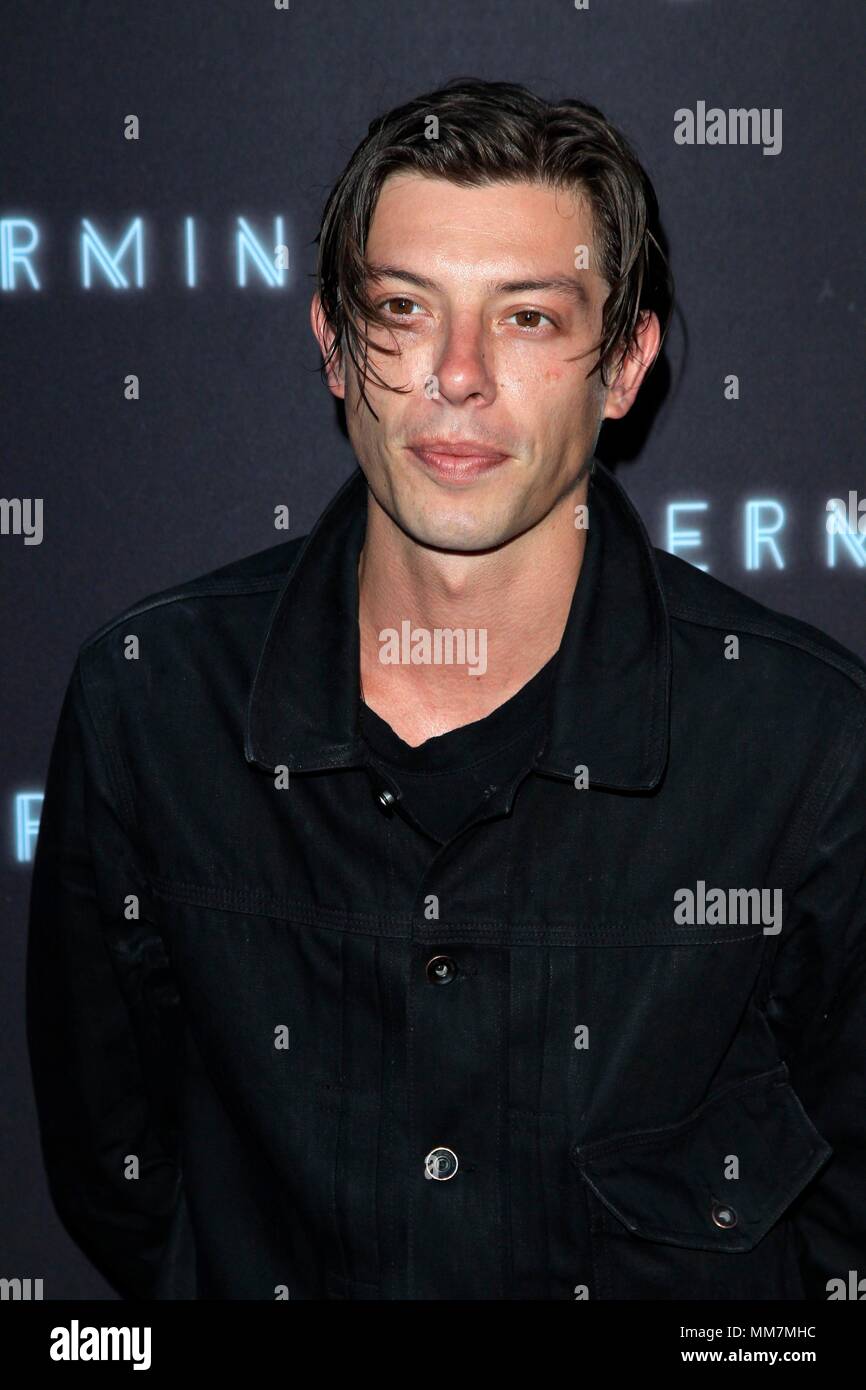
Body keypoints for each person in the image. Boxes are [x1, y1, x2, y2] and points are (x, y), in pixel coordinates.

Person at [27, 78, 866, 1301]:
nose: (457, 377)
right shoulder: (153, 703)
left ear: (622, 364)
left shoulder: (804, 744)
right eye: (402, 312)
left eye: (527, 319)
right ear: (332, 346)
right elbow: (121, 1170)